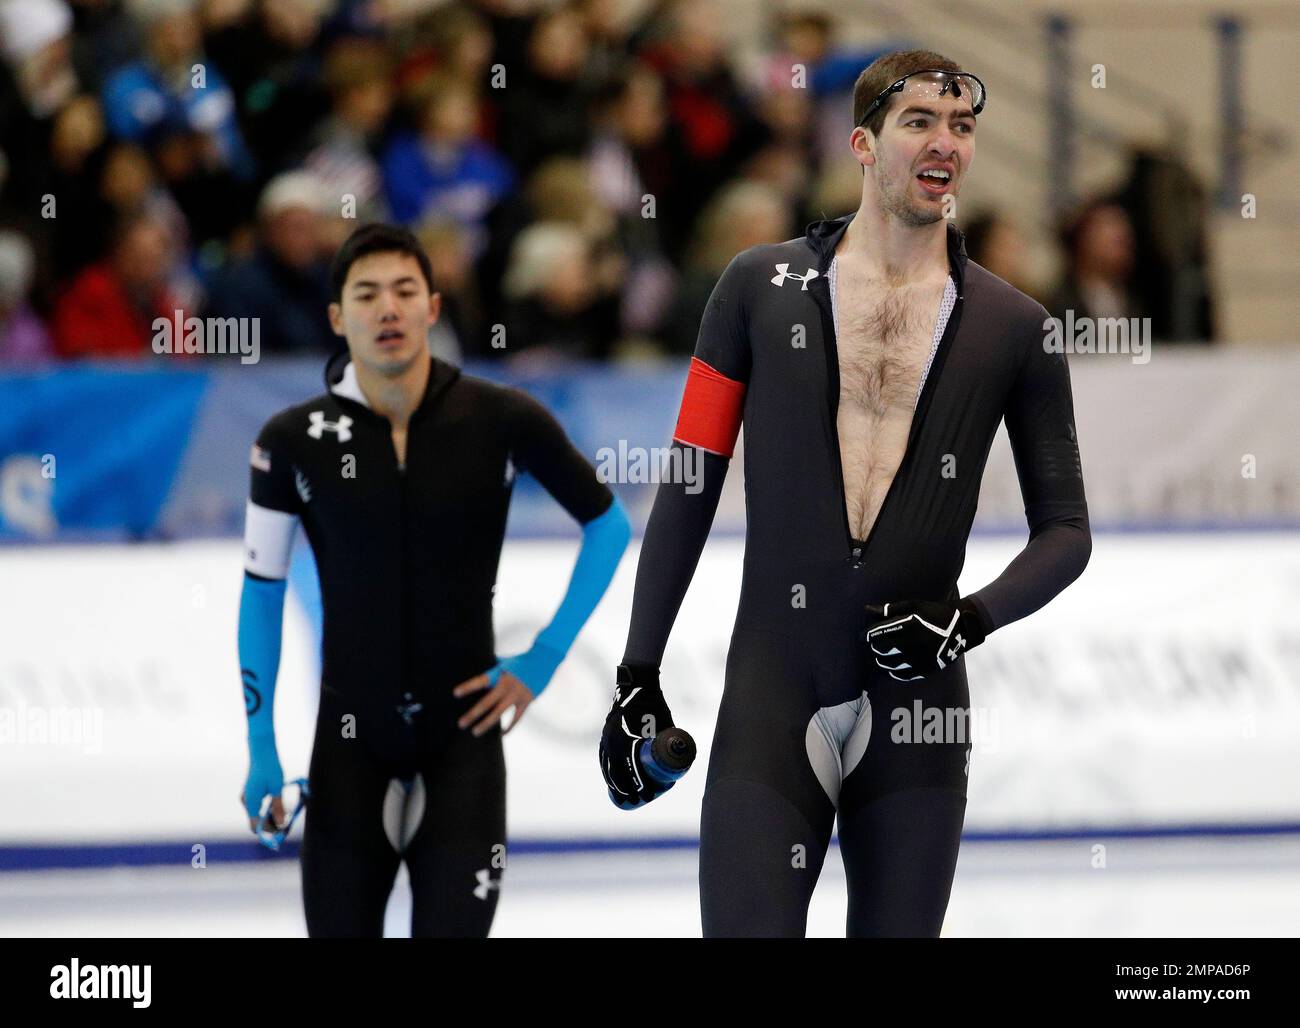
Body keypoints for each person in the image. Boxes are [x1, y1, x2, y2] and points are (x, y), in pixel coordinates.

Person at [601, 50, 1091, 937]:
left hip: (920, 708)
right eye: (919, 123)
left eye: (962, 126)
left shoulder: (1015, 326)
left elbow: (1066, 532)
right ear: (862, 143)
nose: (944, 143)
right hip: (774, 689)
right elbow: (689, 480)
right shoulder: (757, 285)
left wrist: (968, 620)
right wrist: (638, 672)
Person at [238, 222, 630, 937]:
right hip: (349, 751)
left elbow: (610, 526)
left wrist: (543, 657)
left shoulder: (502, 418)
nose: (387, 308)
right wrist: (262, 748)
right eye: (367, 294)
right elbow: (260, 590)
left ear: (432, 308)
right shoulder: (290, 441)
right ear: (337, 318)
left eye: (404, 291)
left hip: (464, 750)